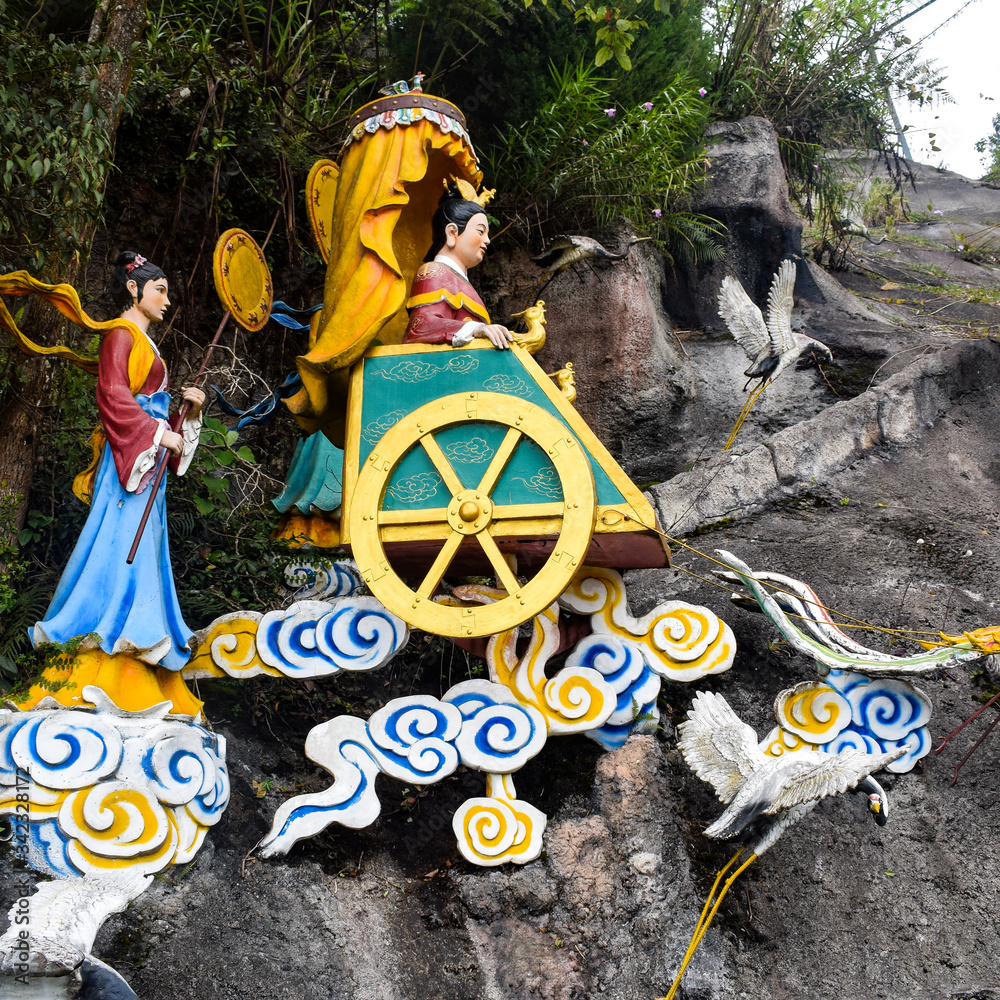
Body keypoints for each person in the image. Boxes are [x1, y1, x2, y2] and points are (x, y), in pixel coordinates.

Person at [32, 252, 205, 671]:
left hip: (148, 457)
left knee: (146, 539)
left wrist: (189, 415)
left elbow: (156, 411)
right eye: (159, 290)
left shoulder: (146, 342)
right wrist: (155, 433)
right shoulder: (120, 334)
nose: (166, 300)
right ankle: (108, 628)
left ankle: (144, 631)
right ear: (135, 289)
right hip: (131, 456)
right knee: (123, 533)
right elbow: (114, 396)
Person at [403, 183, 514, 349]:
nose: (487, 240)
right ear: (452, 233)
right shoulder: (434, 270)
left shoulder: (463, 283)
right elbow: (420, 326)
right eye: (480, 231)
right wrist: (475, 328)